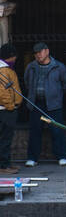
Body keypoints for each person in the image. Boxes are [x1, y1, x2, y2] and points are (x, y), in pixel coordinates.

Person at [23, 42, 66, 167]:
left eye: (40, 52)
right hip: (36, 104)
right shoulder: (31, 67)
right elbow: (27, 82)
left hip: (53, 104)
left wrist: (56, 95)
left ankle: (61, 156)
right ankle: (32, 158)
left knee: (57, 130)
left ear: (47, 51)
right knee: (35, 131)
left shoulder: (59, 67)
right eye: (36, 53)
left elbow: (65, 83)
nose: (38, 55)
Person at [0, 43, 21, 174]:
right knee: (5, 139)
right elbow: (2, 92)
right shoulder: (3, 70)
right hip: (5, 110)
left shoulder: (6, 69)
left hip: (6, 109)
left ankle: (6, 162)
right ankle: (3, 165)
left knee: (5, 138)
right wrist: (11, 106)